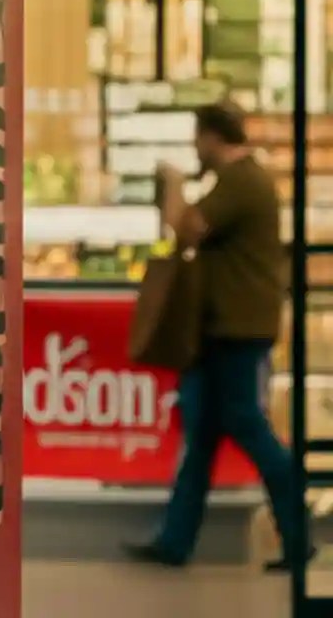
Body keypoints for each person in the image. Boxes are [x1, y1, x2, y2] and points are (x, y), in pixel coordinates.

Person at [124, 103, 310, 571]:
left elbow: (185, 228)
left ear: (210, 136)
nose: (195, 149)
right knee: (202, 434)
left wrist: (171, 186)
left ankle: (298, 533)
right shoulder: (245, 180)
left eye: (197, 138)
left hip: (235, 329)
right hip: (224, 328)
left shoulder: (240, 181)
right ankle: (174, 541)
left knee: (245, 423)